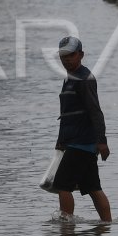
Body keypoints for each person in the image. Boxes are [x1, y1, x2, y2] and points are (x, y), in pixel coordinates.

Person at [48, 36, 112, 222]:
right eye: (63, 56)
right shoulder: (71, 78)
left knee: (63, 185)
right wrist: (61, 141)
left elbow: (95, 112)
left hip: (82, 142)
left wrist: (102, 141)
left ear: (81, 55)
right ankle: (106, 226)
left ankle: (66, 227)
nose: (67, 59)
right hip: (75, 141)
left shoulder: (84, 79)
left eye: (71, 55)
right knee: (93, 187)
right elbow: (67, 114)